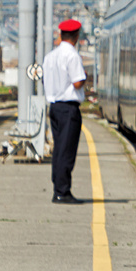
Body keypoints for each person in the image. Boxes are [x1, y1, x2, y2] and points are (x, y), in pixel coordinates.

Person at [41, 19, 87, 204]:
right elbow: (77, 81)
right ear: (76, 36)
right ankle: (62, 191)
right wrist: (84, 81)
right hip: (69, 109)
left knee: (59, 149)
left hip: (55, 107)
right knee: (67, 151)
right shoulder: (72, 56)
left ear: (61, 35)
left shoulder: (50, 56)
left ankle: (58, 187)